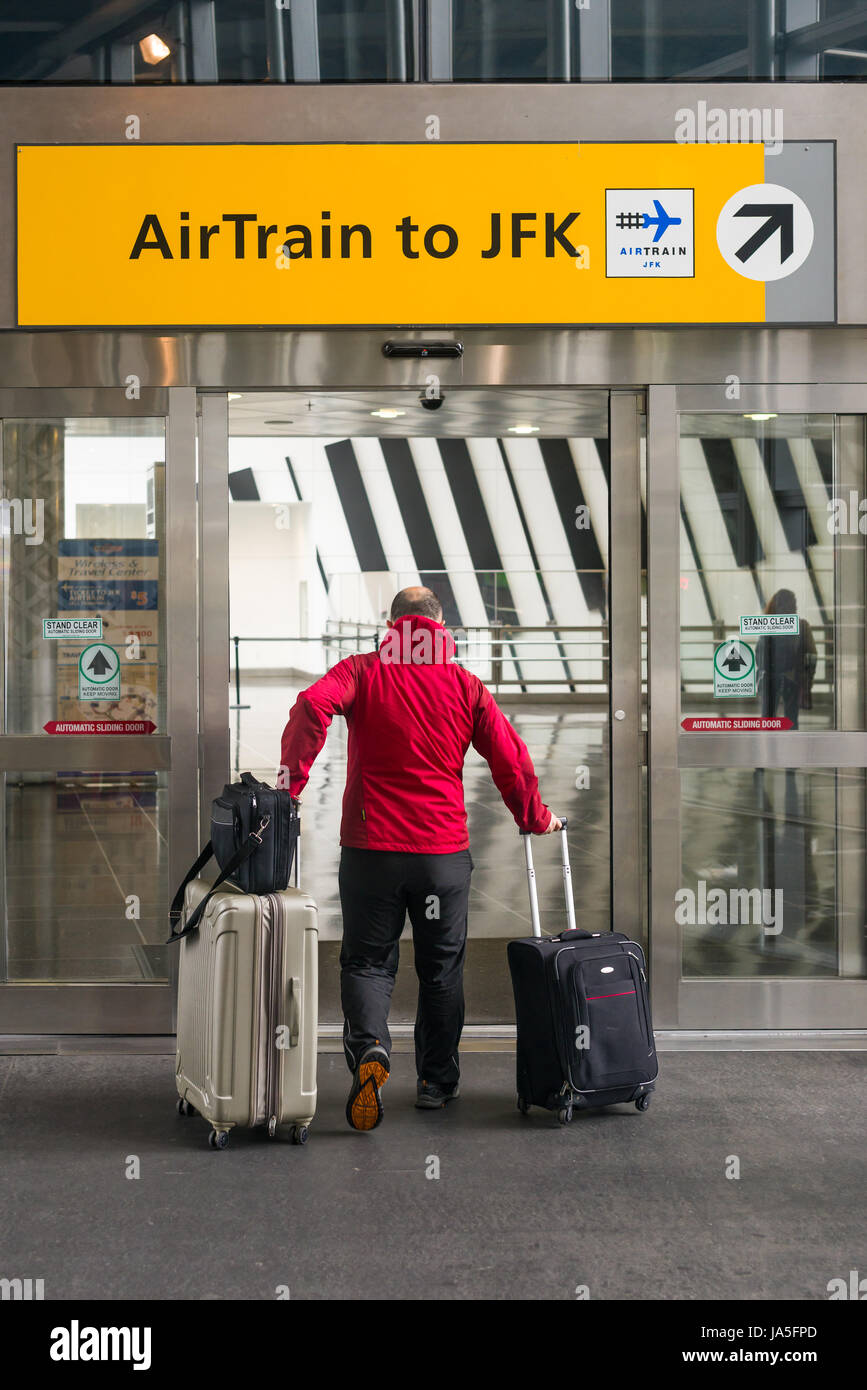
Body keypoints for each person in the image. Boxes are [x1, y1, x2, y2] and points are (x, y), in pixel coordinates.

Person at [279, 586, 559, 1132]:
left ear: (392, 625)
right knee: (440, 971)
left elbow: (312, 704)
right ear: (439, 626)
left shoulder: (361, 670)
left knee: (367, 963)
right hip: (440, 857)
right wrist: (534, 815)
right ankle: (436, 1081)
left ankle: (370, 1052)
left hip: (371, 854)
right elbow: (509, 755)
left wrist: (290, 786)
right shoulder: (463, 683)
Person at [756, 589, 817, 730]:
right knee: (791, 719)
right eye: (794, 603)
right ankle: (791, 747)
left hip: (768, 679)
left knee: (767, 719)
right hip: (793, 677)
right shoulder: (802, 625)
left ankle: (768, 748)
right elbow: (812, 655)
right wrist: (807, 680)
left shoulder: (768, 624)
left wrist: (761, 674)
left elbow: (758, 653)